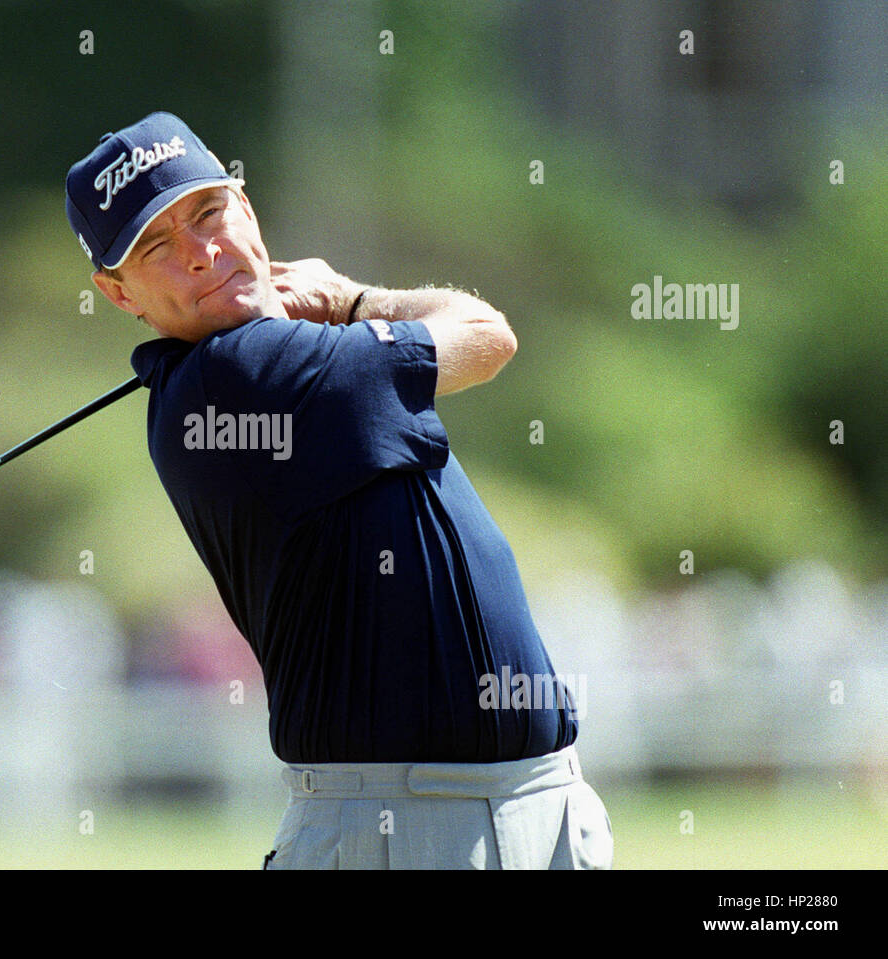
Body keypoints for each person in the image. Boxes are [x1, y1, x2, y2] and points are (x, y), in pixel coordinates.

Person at [65, 111, 613, 869]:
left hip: (534, 804)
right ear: (117, 293)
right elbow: (486, 335)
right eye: (157, 246)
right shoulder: (242, 375)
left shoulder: (265, 362)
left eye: (209, 212)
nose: (203, 253)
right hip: (403, 829)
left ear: (246, 209)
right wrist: (353, 298)